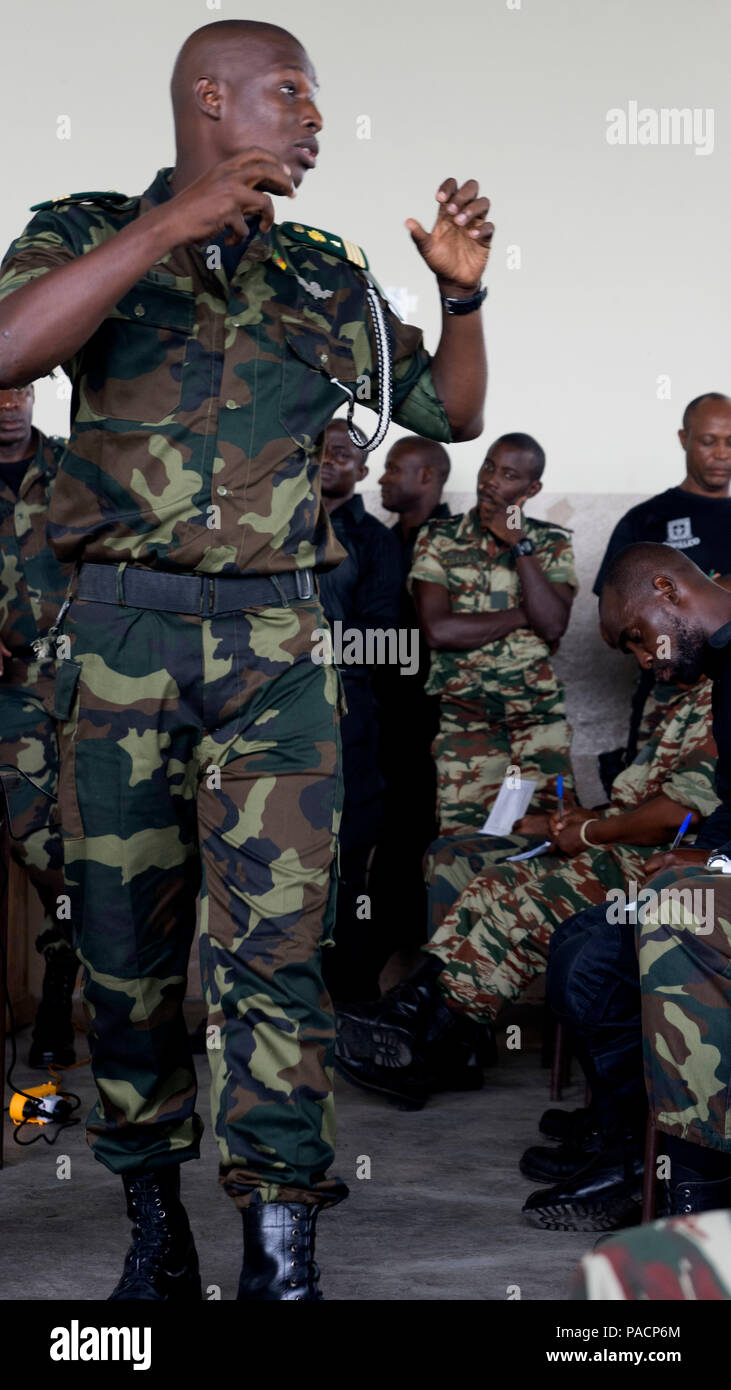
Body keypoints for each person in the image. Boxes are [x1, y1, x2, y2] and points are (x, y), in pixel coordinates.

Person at [0, 19, 494, 1301]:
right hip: (119, 642)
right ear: (209, 98)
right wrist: (171, 229)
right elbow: (10, 349)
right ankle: (154, 1230)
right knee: (124, 952)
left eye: (317, 96)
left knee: (277, 955)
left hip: (277, 641)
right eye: (291, 92)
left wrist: (460, 295)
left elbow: (451, 412)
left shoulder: (320, 273)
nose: (314, 116)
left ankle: (282, 1253)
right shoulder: (87, 225)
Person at [335, 671, 718, 1108]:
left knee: (529, 906)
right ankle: (415, 1019)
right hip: (624, 850)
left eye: (638, 639)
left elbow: (678, 814)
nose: (644, 656)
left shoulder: (716, 696)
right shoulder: (693, 693)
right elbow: (648, 803)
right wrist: (585, 818)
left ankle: (423, 1042)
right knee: (490, 884)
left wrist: (592, 830)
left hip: (665, 868)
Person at [523, 546, 731, 1231]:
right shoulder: (723, 671)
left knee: (673, 912)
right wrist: (705, 848)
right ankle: (630, 1154)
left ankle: (695, 1202)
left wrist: (711, 863)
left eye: (638, 636)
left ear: (667, 588)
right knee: (585, 950)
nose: (643, 659)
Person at [410, 433, 577, 833]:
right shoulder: (438, 537)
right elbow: (438, 629)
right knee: (461, 847)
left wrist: (519, 544)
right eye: (488, 466)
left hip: (538, 724)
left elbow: (554, 623)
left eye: (508, 474)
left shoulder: (550, 543)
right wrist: (525, 614)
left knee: (547, 841)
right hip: (467, 724)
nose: (489, 480)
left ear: (531, 488)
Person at [594, 392, 731, 789]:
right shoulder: (647, 519)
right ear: (683, 438)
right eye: (708, 441)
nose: (721, 453)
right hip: (667, 698)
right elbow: (612, 623)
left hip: (722, 690)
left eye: (730, 441)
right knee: (646, 800)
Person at [0, 383, 78, 1067]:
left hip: (84, 683)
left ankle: (62, 987)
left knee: (75, 841)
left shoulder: (73, 467)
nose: (7, 404)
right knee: (31, 838)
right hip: (9, 689)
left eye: (19, 389)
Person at [317, 418, 400, 1001]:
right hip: (264, 714)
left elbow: (384, 641)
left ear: (363, 470)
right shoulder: (270, 529)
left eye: (343, 453)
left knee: (347, 862)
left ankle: (347, 995)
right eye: (319, 449)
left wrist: (305, 649)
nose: (328, 460)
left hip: (347, 717)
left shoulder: (374, 541)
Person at [367, 434, 451, 964]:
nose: (382, 478)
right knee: (385, 843)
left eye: (394, 468)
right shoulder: (379, 540)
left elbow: (436, 633)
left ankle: (433, 984)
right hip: (380, 717)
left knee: (422, 845)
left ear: (428, 476)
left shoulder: (454, 541)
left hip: (435, 721)